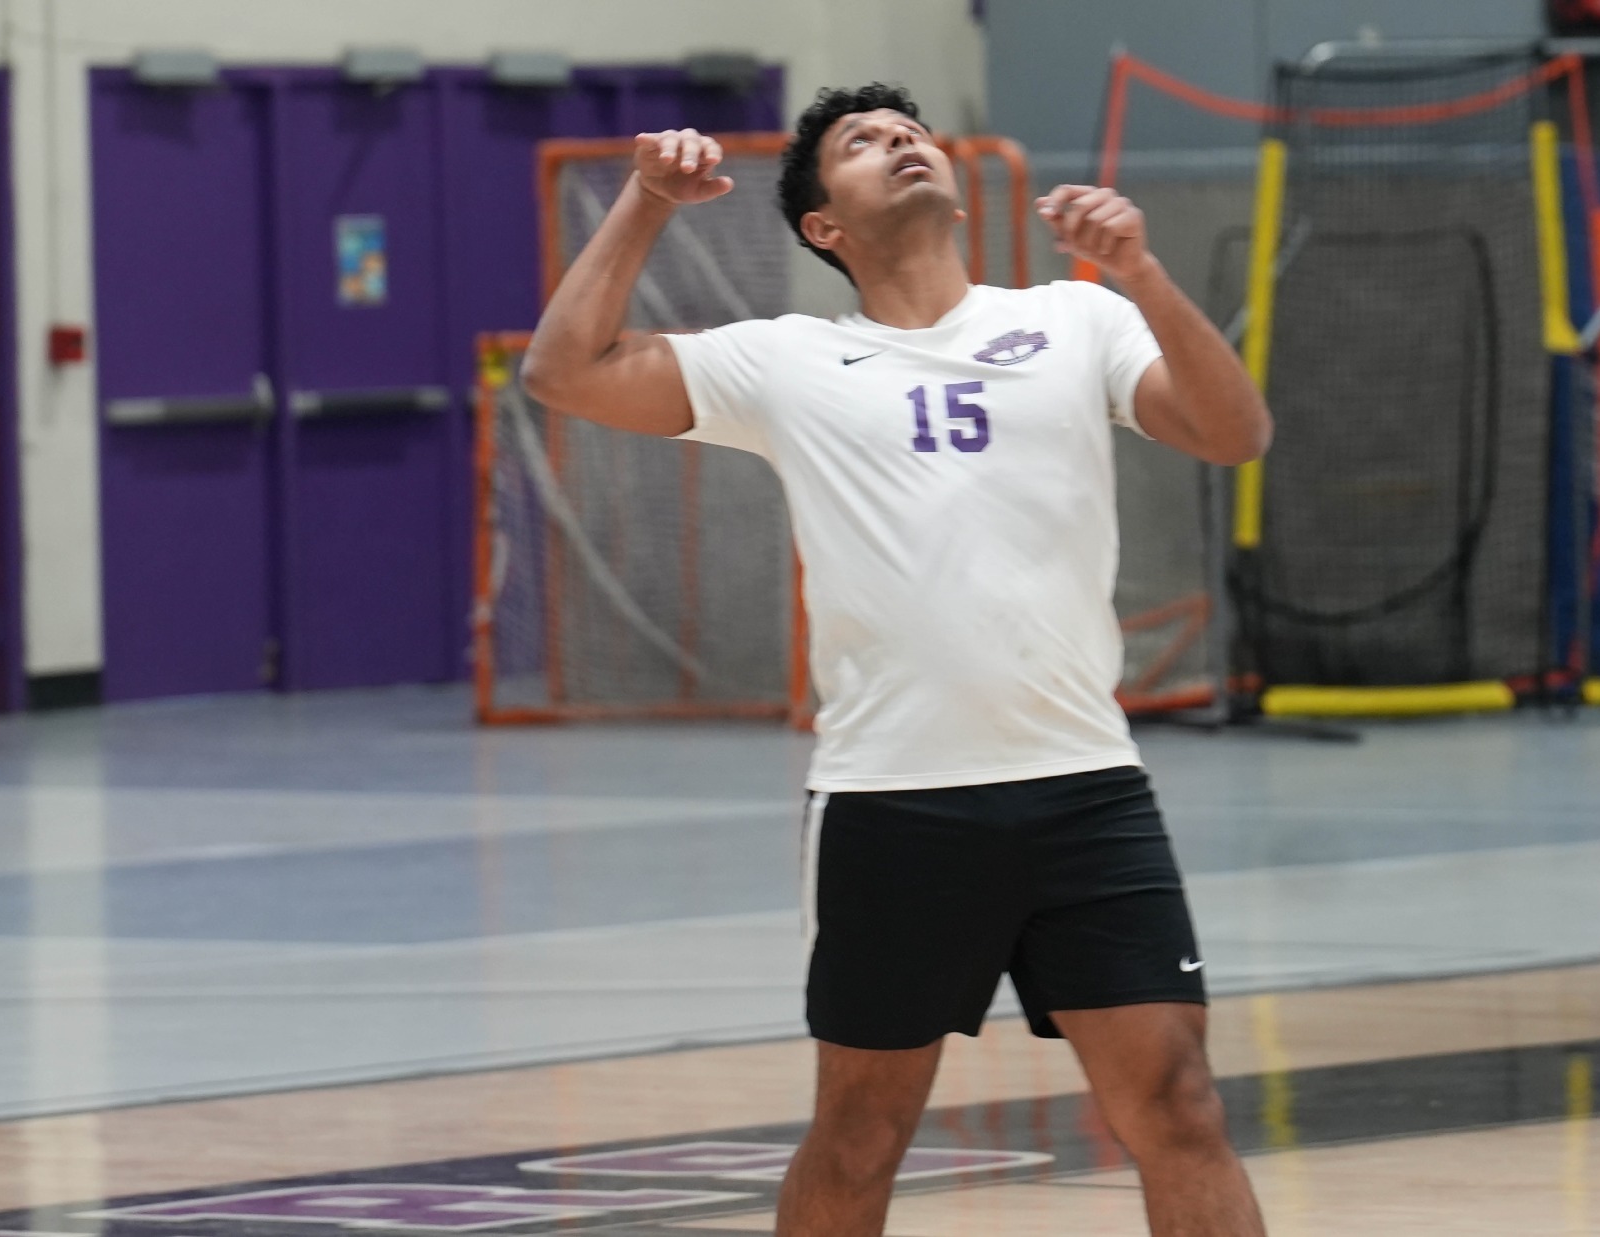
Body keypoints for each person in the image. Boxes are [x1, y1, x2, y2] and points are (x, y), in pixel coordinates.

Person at [523, 82, 1272, 1237]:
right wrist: (645, 201)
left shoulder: (1078, 321)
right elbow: (562, 372)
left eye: (909, 132)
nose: (899, 144)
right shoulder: (787, 359)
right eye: (863, 145)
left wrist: (1142, 276)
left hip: (1084, 789)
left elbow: (1234, 432)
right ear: (825, 225)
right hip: (896, 800)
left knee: (1179, 1104)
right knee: (864, 1134)